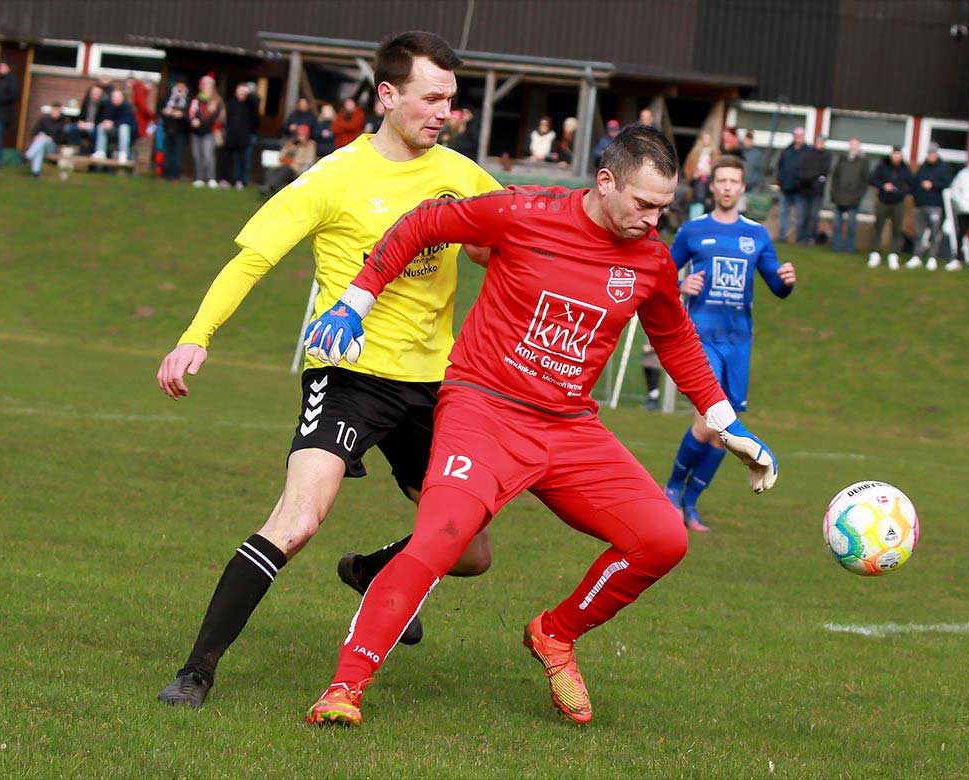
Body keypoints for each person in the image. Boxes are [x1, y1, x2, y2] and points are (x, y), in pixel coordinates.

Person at [302, 125, 778, 727]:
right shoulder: (523, 211)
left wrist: (726, 423)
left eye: (665, 207)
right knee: (443, 536)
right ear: (606, 182)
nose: (656, 221)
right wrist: (357, 300)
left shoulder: (652, 260)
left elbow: (677, 339)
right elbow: (426, 223)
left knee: (663, 537)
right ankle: (346, 686)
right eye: (644, 204)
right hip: (485, 408)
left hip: (570, 427)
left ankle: (555, 634)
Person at [154, 30, 503, 711]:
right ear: (387, 94)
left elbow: (517, 239)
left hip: (436, 385)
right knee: (299, 519)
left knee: (472, 551)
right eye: (430, 98)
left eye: (451, 101)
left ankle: (373, 572)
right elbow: (253, 258)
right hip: (346, 376)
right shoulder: (334, 177)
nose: (443, 112)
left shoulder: (462, 176)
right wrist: (196, 336)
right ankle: (196, 672)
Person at [661, 156, 794, 532]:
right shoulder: (692, 230)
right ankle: (671, 490)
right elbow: (662, 275)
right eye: (721, 181)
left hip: (739, 341)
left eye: (734, 181)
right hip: (701, 337)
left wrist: (786, 279)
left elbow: (777, 286)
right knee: (710, 421)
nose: (727, 187)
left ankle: (691, 502)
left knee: (727, 434)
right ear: (713, 186)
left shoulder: (756, 235)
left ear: (742, 188)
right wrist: (679, 285)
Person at [867, 146, 913, 270]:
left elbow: (911, 185)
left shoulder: (905, 168)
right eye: (894, 154)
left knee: (897, 230)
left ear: (901, 156)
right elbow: (872, 179)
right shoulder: (883, 165)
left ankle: (893, 255)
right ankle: (875, 253)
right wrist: (883, 185)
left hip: (898, 202)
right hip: (883, 201)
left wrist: (900, 189)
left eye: (898, 154)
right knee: (878, 227)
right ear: (891, 155)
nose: (896, 156)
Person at [909, 143, 953, 270]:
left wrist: (933, 185)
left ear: (936, 154)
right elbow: (915, 184)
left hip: (935, 206)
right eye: (929, 153)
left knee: (934, 233)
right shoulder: (923, 167)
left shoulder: (943, 167)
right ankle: (916, 256)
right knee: (918, 233)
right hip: (920, 205)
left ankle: (932, 258)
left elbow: (947, 183)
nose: (930, 155)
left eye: (932, 153)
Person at [829, 137, 870, 253]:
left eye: (855, 145)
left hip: (854, 199)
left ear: (859, 147)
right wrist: (834, 194)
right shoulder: (842, 159)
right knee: (837, 224)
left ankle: (849, 248)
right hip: (839, 197)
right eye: (851, 145)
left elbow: (865, 181)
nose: (853, 147)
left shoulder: (863, 161)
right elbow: (835, 178)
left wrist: (859, 196)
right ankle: (836, 247)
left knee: (851, 225)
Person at [260, 123, 317, 196]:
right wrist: (287, 153)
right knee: (272, 170)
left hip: (297, 168)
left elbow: (309, 160)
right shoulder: (291, 143)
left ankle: (270, 187)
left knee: (284, 171)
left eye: (302, 135)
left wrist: (293, 161)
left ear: (307, 136)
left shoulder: (310, 145)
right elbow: (281, 155)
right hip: (285, 165)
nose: (300, 137)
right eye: (299, 135)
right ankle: (267, 186)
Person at [188, 75, 224, 188]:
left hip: (209, 133)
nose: (206, 87)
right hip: (196, 133)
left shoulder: (216, 101)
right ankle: (199, 178)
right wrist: (193, 120)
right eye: (204, 85)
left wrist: (201, 121)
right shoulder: (196, 100)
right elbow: (191, 112)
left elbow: (214, 117)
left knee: (208, 156)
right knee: (197, 155)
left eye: (208, 85)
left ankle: (211, 178)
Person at [775, 127, 809, 243]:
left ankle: (799, 238)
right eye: (796, 135)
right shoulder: (787, 150)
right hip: (785, 187)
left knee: (800, 216)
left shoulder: (808, 151)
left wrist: (802, 182)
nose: (798, 138)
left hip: (800, 189)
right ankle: (783, 236)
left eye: (800, 136)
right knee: (784, 213)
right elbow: (780, 166)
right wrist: (780, 180)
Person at [224, 82, 259, 190]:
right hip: (233, 138)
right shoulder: (232, 103)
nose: (241, 94)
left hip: (245, 138)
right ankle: (234, 180)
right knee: (234, 161)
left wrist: (249, 93)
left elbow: (255, 102)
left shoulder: (250, 104)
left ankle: (242, 181)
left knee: (245, 161)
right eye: (240, 91)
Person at [797, 135, 831, 244]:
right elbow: (803, 171)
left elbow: (823, 174)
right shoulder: (807, 154)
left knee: (814, 216)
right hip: (804, 190)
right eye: (818, 141)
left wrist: (814, 177)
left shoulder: (826, 156)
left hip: (817, 192)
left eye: (822, 142)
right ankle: (800, 238)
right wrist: (812, 178)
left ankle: (811, 238)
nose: (820, 143)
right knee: (803, 216)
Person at [91, 87, 137, 163]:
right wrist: (105, 122)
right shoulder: (107, 105)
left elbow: (128, 121)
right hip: (111, 131)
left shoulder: (127, 107)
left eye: (118, 97)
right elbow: (101, 118)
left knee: (124, 127)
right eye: (114, 97)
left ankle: (123, 153)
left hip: (126, 133)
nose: (116, 99)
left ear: (122, 98)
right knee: (101, 126)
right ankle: (100, 152)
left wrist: (113, 123)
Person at [22, 104, 69, 178]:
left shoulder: (63, 123)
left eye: (58, 111)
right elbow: (34, 133)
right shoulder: (44, 119)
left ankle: (27, 157)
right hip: (41, 144)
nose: (55, 113)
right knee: (41, 144)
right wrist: (36, 136)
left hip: (53, 147)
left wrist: (51, 138)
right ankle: (35, 173)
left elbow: (63, 140)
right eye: (54, 110)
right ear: (51, 110)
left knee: (43, 139)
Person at [158, 77, 190, 181]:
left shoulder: (188, 98)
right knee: (166, 152)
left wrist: (182, 114)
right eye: (178, 85)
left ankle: (175, 175)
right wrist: (165, 111)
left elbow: (190, 115)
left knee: (177, 154)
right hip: (168, 128)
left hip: (181, 130)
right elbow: (159, 108)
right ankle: (164, 174)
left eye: (182, 85)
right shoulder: (168, 96)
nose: (180, 87)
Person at [0, 60, 18, 166]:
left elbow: (14, 96)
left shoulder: (11, 80)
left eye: (3, 67)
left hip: (4, 114)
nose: (1, 69)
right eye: (0, 67)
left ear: (8, 68)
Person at [684, 131, 716, 220]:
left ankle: (698, 216)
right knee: (699, 188)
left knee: (701, 190)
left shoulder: (715, 154)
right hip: (696, 180)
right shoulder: (694, 153)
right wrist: (694, 174)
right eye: (704, 139)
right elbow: (687, 168)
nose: (706, 141)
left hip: (710, 181)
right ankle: (696, 217)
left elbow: (717, 169)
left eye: (708, 139)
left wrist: (708, 172)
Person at [68, 83, 106, 154]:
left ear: (101, 94)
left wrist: (92, 124)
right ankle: (78, 149)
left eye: (98, 93)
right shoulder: (86, 102)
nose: (95, 94)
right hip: (84, 124)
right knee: (69, 128)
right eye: (94, 92)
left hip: (95, 126)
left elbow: (102, 120)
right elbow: (81, 116)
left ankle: (89, 152)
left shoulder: (103, 104)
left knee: (93, 131)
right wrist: (80, 122)